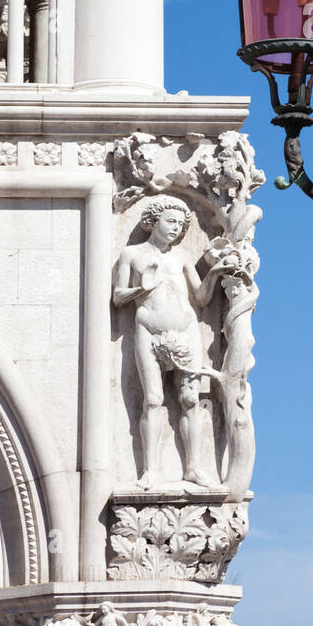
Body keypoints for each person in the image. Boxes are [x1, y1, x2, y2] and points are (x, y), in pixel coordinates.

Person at [113, 195, 220, 489]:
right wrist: (140, 288)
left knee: (190, 400)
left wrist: (216, 272)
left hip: (186, 331)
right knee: (153, 399)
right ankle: (151, 470)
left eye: (181, 225)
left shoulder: (182, 257)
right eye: (170, 222)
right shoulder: (132, 255)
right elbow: (118, 297)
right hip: (149, 329)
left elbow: (200, 298)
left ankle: (194, 467)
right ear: (153, 222)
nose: (176, 228)